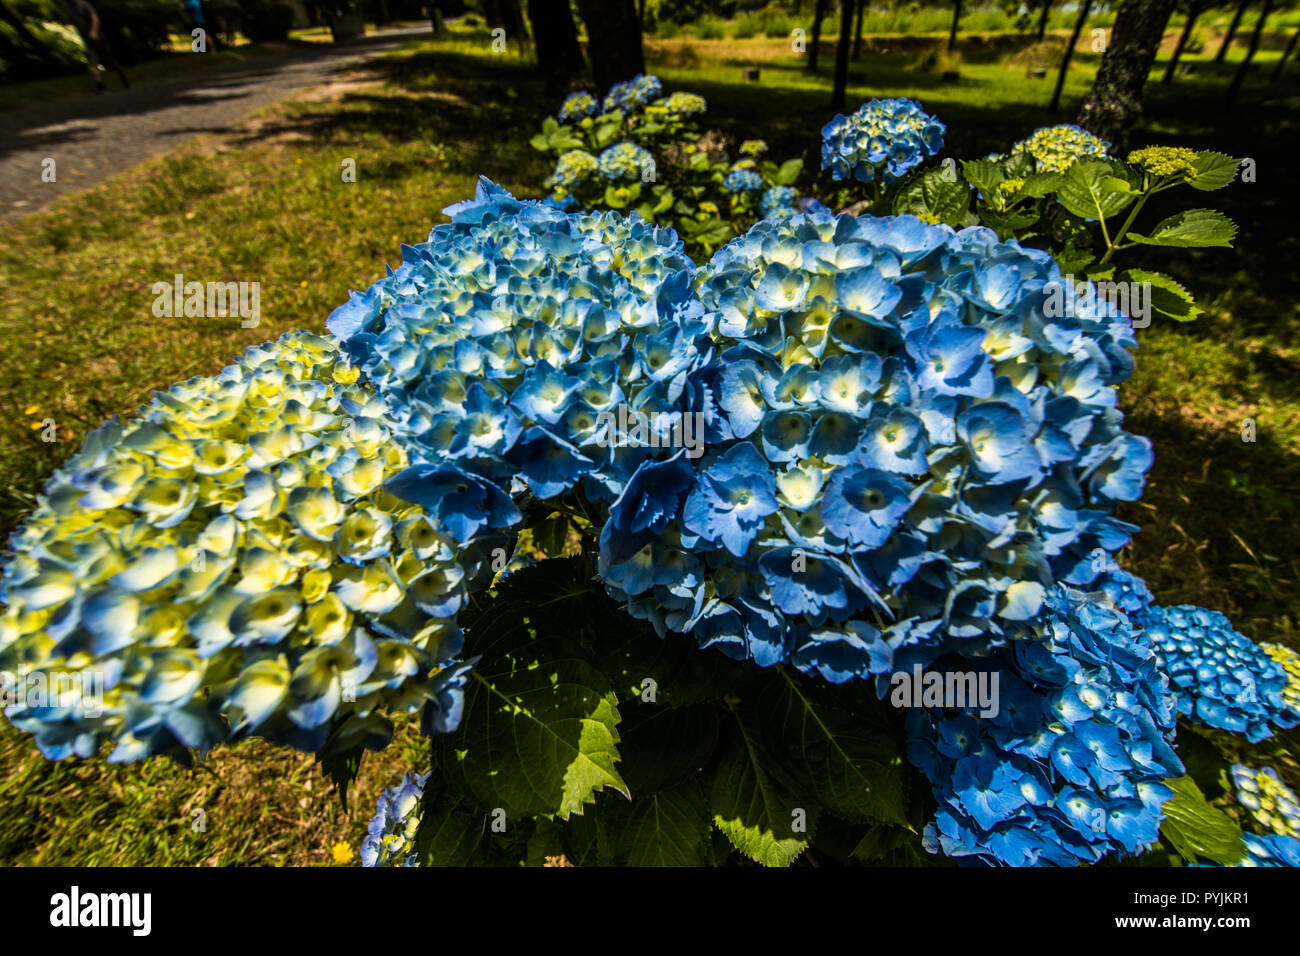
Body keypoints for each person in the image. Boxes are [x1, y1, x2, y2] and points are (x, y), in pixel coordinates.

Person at [62, 0, 130, 91]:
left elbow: (95, 18)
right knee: (93, 60)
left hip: (96, 37)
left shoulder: (84, 4)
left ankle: (123, 77)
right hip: (86, 38)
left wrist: (94, 31)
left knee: (109, 58)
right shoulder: (69, 9)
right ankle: (100, 85)